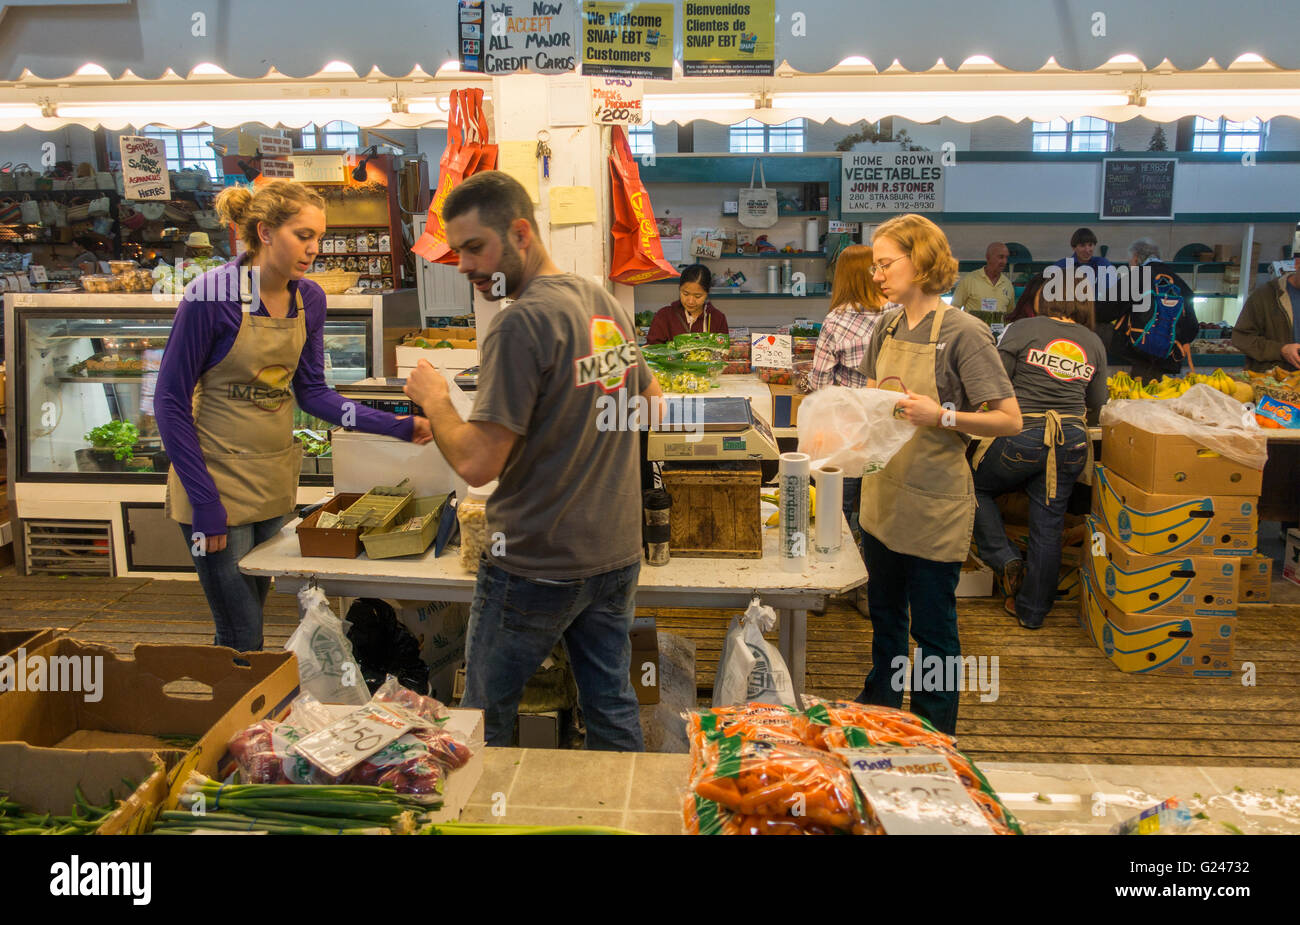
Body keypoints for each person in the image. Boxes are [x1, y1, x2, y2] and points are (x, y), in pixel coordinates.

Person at [403, 171, 662, 751]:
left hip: (534, 562)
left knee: (482, 717)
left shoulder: (518, 322)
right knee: (611, 703)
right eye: (457, 251)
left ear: (521, 233)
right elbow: (647, 404)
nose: (464, 266)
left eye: (475, 248)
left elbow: (476, 465)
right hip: (614, 555)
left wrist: (437, 400)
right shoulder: (598, 299)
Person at [156, 180, 433, 652]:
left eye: (319, 238)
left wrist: (400, 426)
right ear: (265, 232)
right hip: (214, 481)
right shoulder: (211, 295)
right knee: (240, 631)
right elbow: (169, 402)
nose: (314, 249)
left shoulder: (309, 299)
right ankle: (239, 720)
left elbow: (313, 394)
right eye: (303, 235)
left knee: (262, 613)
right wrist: (205, 504)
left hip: (272, 479)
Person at [856, 214, 1023, 735]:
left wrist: (944, 416)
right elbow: (873, 395)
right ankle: (881, 707)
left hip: (933, 500)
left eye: (886, 264)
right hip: (883, 493)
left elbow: (1009, 418)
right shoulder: (885, 325)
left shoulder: (963, 333)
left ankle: (934, 731)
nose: (878, 275)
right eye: (875, 266)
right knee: (885, 617)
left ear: (921, 261)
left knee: (933, 631)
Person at [971, 289, 1107, 629]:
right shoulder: (1094, 342)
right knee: (1048, 525)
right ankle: (1031, 613)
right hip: (1072, 439)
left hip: (1023, 432)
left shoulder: (1021, 329)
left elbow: (994, 381)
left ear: (1043, 300)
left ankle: (1004, 560)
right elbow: (1097, 400)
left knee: (969, 485)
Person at [807, 244, 888, 552]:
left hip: (848, 431)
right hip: (888, 427)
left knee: (836, 506)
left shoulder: (837, 320)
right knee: (877, 510)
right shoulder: (899, 313)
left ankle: (836, 563)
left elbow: (820, 384)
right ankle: (872, 575)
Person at [1112, 238, 1198, 382]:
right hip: (1169, 356)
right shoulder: (1178, 281)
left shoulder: (1136, 277)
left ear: (1135, 258)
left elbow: (1106, 310)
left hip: (1140, 353)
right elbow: (1192, 326)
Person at [1232, 260, 1300, 373]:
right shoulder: (1265, 296)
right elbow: (1241, 338)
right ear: (1298, 263)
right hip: (1272, 383)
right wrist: (1281, 350)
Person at [645, 263, 729, 344]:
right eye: (685, 294)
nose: (690, 301)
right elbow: (652, 349)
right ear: (679, 289)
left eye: (697, 296)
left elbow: (723, 350)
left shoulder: (718, 319)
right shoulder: (664, 316)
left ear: (707, 293)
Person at [950, 242, 1015, 315]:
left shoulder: (1008, 284)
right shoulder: (969, 280)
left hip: (999, 326)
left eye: (1006, 257)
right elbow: (953, 310)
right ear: (988, 257)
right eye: (1001, 257)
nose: (1004, 261)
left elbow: (1010, 314)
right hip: (973, 326)